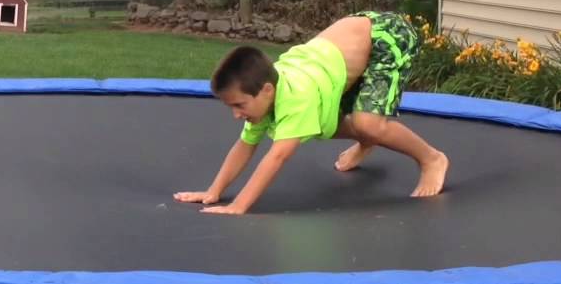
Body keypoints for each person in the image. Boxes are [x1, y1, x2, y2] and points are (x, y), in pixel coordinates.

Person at [174, 11, 448, 215]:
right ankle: (367, 140)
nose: (236, 115)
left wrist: (238, 206)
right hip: (342, 54)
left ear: (267, 90)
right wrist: (214, 192)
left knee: (367, 122)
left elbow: (278, 155)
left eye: (239, 106)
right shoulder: (266, 95)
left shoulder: (297, 97)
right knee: (321, 124)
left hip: (386, 36)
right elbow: (245, 145)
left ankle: (431, 158)